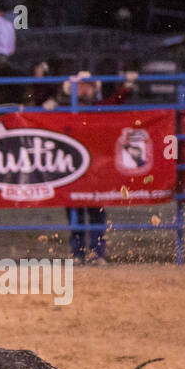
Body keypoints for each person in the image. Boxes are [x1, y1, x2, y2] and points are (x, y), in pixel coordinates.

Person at [59, 70, 136, 264]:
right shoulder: (63, 111)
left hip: (94, 169)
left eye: (89, 86)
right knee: (75, 212)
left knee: (95, 211)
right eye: (82, 86)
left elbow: (114, 103)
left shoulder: (98, 109)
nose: (86, 89)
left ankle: (96, 252)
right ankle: (78, 253)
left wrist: (126, 88)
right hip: (73, 169)